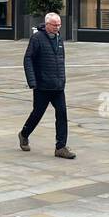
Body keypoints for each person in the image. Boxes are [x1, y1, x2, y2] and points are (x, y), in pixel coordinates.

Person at [19, 12, 74, 157]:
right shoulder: (37, 38)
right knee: (37, 113)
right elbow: (28, 59)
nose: (57, 27)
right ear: (47, 25)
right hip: (42, 85)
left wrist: (62, 79)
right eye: (55, 25)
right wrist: (32, 81)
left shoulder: (59, 39)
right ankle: (24, 134)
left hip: (57, 85)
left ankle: (60, 147)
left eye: (59, 25)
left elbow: (60, 61)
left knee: (62, 114)